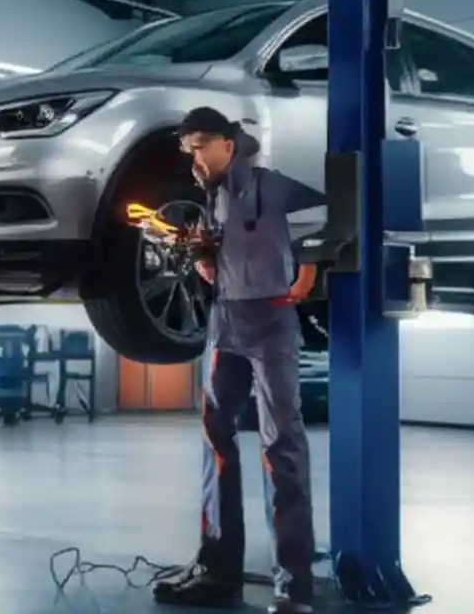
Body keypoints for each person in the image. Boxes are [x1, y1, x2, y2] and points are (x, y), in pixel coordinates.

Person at [153, 107, 316, 614]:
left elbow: (322, 216)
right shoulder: (210, 199)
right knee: (215, 440)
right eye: (188, 150)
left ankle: (294, 587)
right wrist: (202, 259)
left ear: (228, 142)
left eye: (201, 145)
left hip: (271, 325)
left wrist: (308, 269)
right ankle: (217, 570)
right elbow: (221, 267)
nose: (195, 157)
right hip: (226, 324)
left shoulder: (270, 185)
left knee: (281, 446)